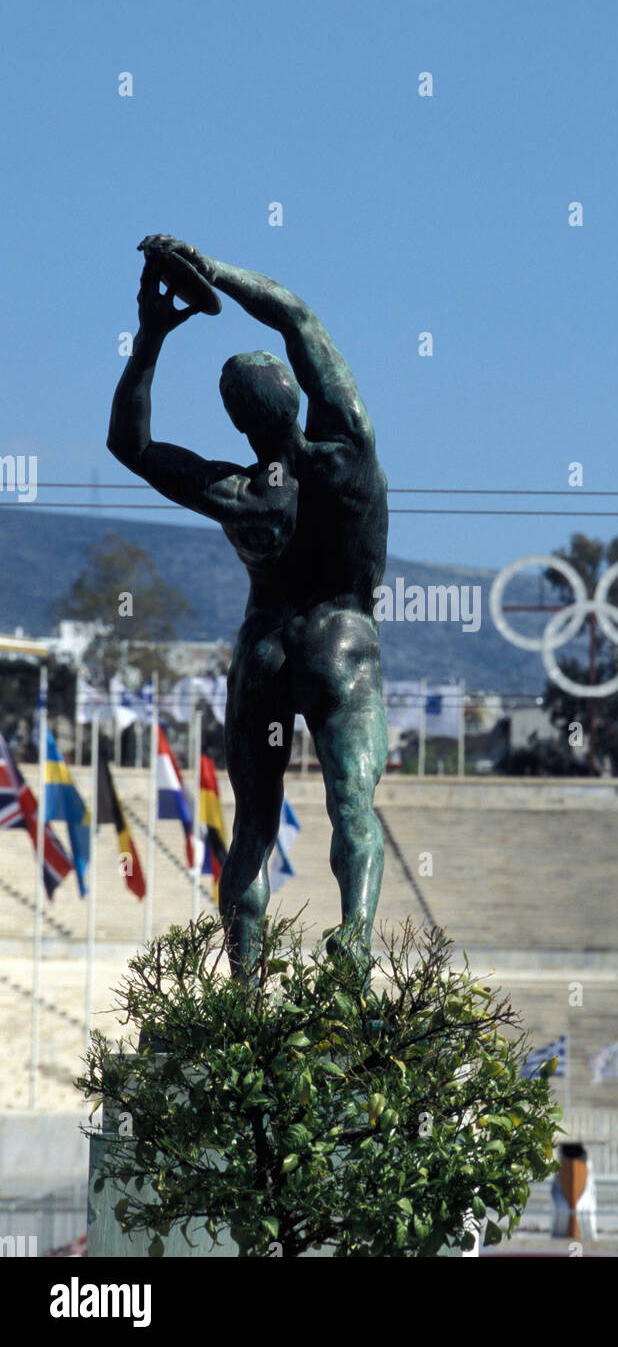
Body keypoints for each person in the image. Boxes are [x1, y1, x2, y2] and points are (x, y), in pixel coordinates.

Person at [108, 235, 388, 976]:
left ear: (237, 423)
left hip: (264, 649)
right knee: (351, 805)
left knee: (254, 825)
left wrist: (150, 339)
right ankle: (352, 946)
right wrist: (217, 272)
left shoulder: (238, 494)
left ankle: (244, 985)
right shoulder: (347, 450)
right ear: (298, 395)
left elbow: (130, 445)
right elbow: (295, 315)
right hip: (340, 643)